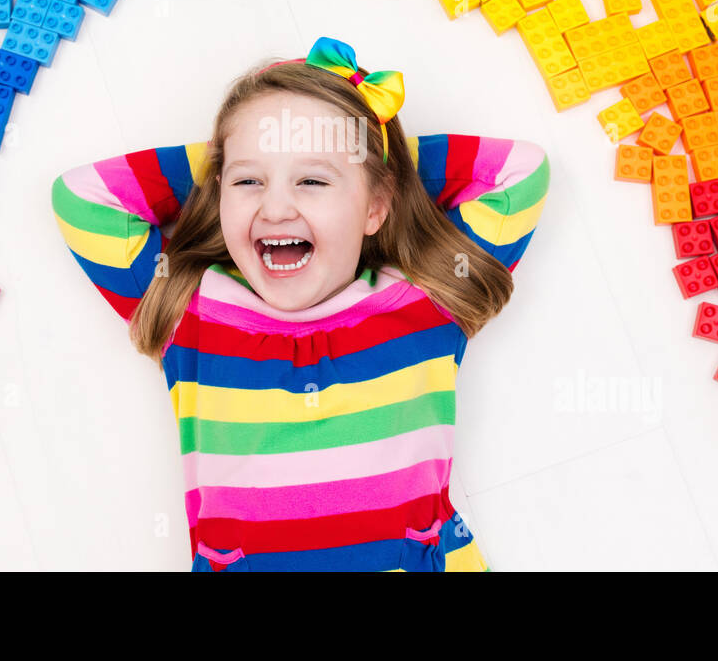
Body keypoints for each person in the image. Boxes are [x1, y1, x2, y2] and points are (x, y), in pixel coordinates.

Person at [50, 35, 550, 570]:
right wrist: (237, 143)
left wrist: (375, 148)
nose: (276, 205)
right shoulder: (189, 309)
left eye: (312, 179)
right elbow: (83, 199)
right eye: (248, 180)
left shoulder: (424, 299)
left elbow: (519, 173)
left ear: (377, 206)